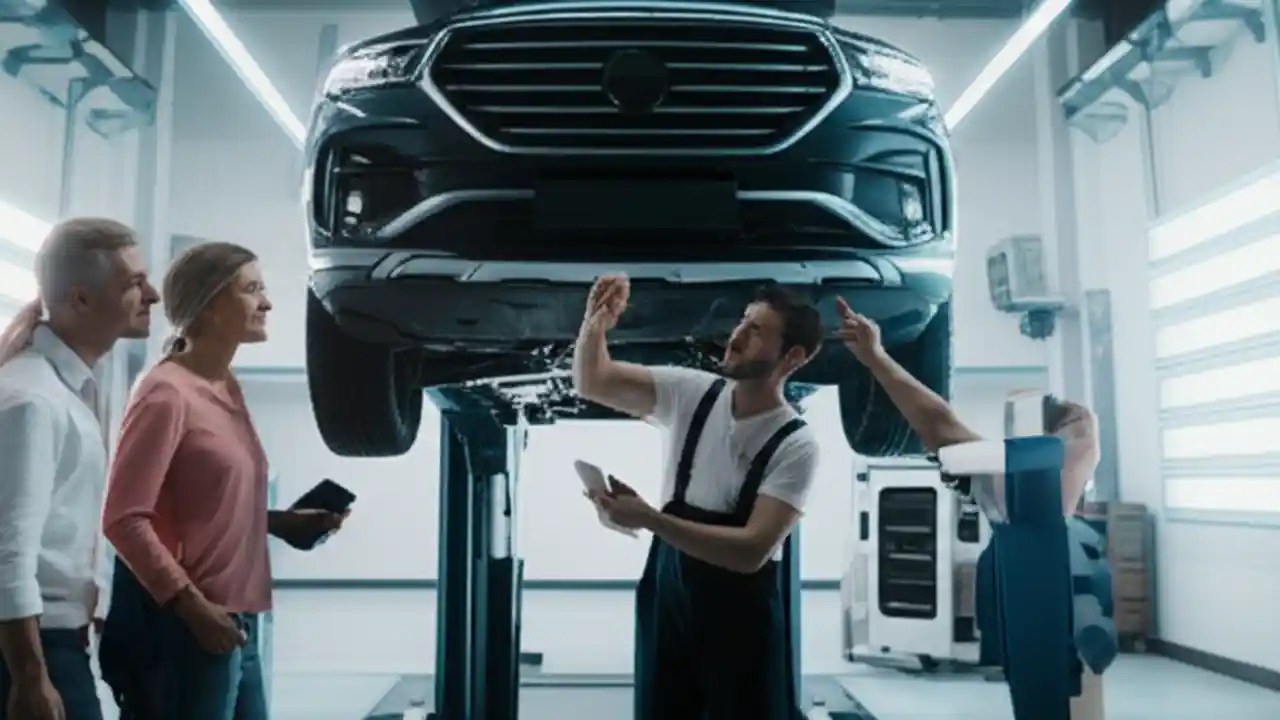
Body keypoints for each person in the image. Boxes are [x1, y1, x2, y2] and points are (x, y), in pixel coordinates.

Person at [98, 242, 348, 720]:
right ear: (211, 306)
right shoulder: (165, 394)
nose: (267, 303)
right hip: (186, 629)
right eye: (252, 289)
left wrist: (277, 523)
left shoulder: (223, 384)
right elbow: (123, 518)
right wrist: (194, 609)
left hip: (237, 623)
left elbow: (198, 504)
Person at [573, 274, 823, 720]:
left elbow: (750, 552)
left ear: (792, 357)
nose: (737, 335)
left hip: (740, 622)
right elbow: (594, 381)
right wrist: (596, 322)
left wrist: (651, 519)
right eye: (742, 322)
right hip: (669, 598)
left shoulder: (795, 444)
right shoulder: (694, 392)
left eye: (757, 330)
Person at [0, 218, 159, 720]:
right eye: (133, 283)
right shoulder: (32, 400)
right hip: (31, 650)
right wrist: (31, 679)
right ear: (81, 300)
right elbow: (8, 551)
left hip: (57, 642)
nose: (152, 295)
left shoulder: (68, 391)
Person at [834, 296, 1099, 515]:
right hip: (897, 439)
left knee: (927, 301)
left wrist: (875, 355)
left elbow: (942, 429)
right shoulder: (1040, 499)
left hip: (890, 433)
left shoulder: (1042, 494)